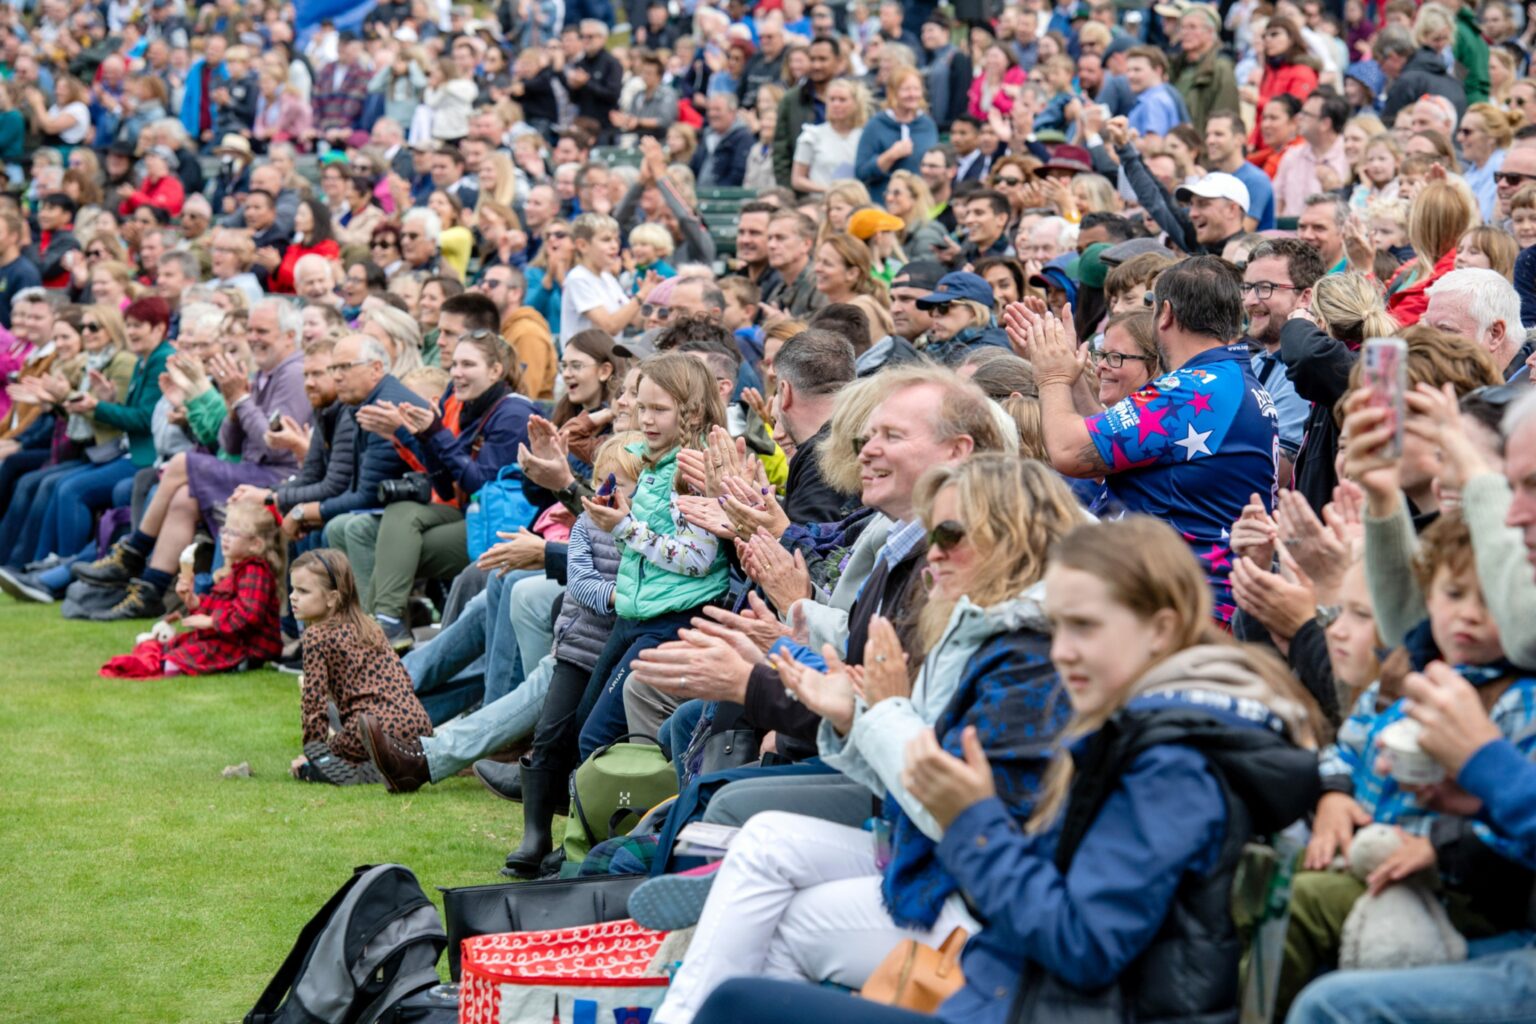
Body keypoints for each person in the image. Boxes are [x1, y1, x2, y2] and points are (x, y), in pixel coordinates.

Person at [691, 517, 1321, 1024]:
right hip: (1014, 991)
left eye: (1085, 628)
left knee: (735, 1001)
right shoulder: (1138, 727)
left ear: (1159, 630)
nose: (1064, 649)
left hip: (1048, 1001)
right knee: (762, 954)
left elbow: (1084, 946)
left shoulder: (1172, 763)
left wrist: (972, 821)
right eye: (1058, 627)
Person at [648, 456, 1084, 1021]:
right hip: (942, 862)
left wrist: (864, 712)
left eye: (950, 534)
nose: (933, 552)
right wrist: (848, 710)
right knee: (766, 839)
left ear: (1014, 537)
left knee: (779, 913)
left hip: (989, 905)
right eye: (931, 534)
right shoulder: (978, 627)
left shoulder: (1029, 657)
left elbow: (944, 805)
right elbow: (908, 753)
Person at [1012, 256, 1279, 624]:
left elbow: (1069, 451)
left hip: (1181, 609)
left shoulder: (1191, 390)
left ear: (1165, 314)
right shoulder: (1227, 381)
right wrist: (1071, 375)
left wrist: (1052, 375)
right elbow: (1106, 449)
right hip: (1187, 600)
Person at [357, 327, 534, 645]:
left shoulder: (513, 413)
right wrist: (423, 436)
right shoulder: (470, 407)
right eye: (454, 365)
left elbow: (479, 483)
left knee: (393, 552)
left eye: (468, 365)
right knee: (397, 514)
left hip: (504, 529)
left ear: (495, 370)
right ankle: (382, 625)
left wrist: (436, 433)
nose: (457, 374)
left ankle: (376, 632)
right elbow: (446, 485)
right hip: (471, 516)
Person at [288, 548, 433, 787]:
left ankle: (352, 766)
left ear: (332, 598)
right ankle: (390, 763)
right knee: (348, 725)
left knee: (328, 752)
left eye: (303, 591)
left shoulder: (317, 636)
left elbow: (314, 702)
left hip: (371, 731)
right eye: (293, 589)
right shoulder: (370, 626)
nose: (293, 597)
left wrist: (314, 753)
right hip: (419, 727)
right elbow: (404, 679)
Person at [98, 501, 284, 678]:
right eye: (225, 531)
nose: (225, 538)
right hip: (231, 638)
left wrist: (212, 622)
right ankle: (162, 657)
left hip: (247, 646)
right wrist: (194, 601)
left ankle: (167, 665)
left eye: (234, 534)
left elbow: (249, 614)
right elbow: (220, 605)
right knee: (181, 642)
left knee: (197, 652)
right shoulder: (237, 568)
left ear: (256, 544)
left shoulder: (254, 571)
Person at [1243, 238, 1326, 467]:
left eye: (1264, 288)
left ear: (1305, 297)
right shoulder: (1257, 362)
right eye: (1247, 288)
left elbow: (1279, 472)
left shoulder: (1309, 372)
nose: (1250, 301)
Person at [1387, 180, 1479, 326]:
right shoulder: (1415, 266)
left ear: (1421, 224)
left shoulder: (1449, 276)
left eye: (1412, 214)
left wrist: (1364, 268)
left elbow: (1390, 328)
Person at [854, 66, 939, 204]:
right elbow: (861, 173)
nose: (912, 94)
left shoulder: (927, 124)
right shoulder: (876, 125)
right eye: (906, 89)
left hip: (918, 204)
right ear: (892, 92)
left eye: (916, 89)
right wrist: (890, 155)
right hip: (884, 203)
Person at [1274, 92, 1351, 218]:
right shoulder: (1291, 155)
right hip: (1288, 233)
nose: (1298, 117)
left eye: (1306, 114)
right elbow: (1277, 203)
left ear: (1325, 124)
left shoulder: (1348, 156)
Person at [791, 78, 867, 195]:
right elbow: (797, 179)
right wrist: (828, 190)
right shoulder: (811, 135)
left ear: (855, 103)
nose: (836, 104)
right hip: (820, 203)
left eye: (842, 100)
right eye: (832, 99)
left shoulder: (864, 135)